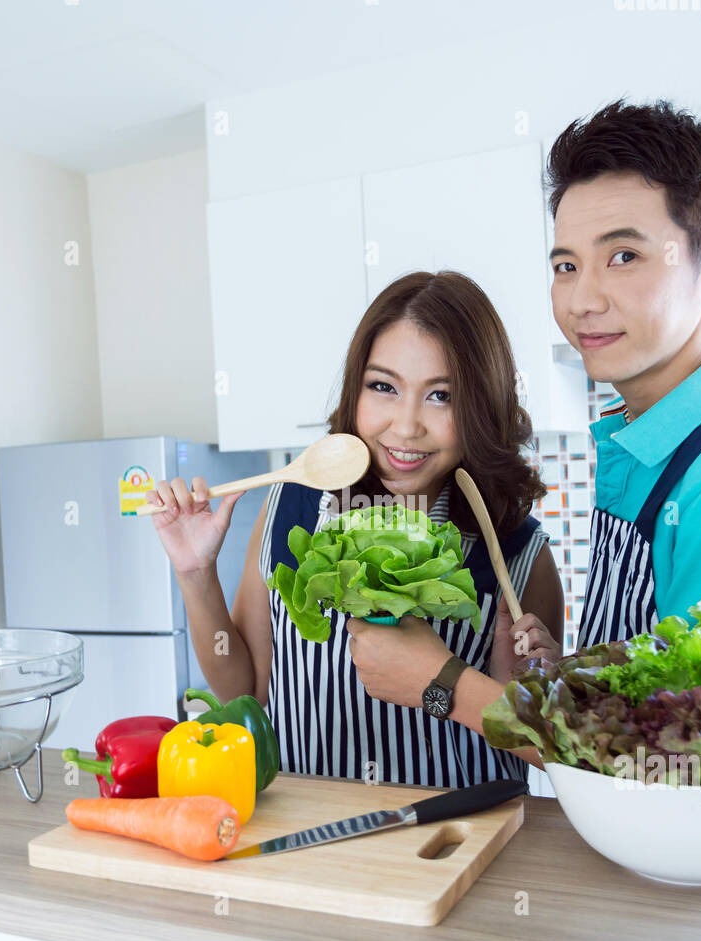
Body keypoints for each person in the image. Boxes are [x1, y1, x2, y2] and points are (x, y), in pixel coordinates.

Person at [348, 100, 701, 764]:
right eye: (566, 265)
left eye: (624, 256)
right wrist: (578, 679)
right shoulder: (646, 442)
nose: (582, 299)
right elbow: (659, 710)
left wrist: (440, 685)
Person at [146, 270, 564, 786]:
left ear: (481, 405)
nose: (406, 425)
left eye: (441, 396)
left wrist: (517, 689)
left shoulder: (518, 553)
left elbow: (548, 749)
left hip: (461, 839)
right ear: (355, 388)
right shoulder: (290, 507)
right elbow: (245, 691)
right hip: (312, 835)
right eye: (383, 387)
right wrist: (194, 574)